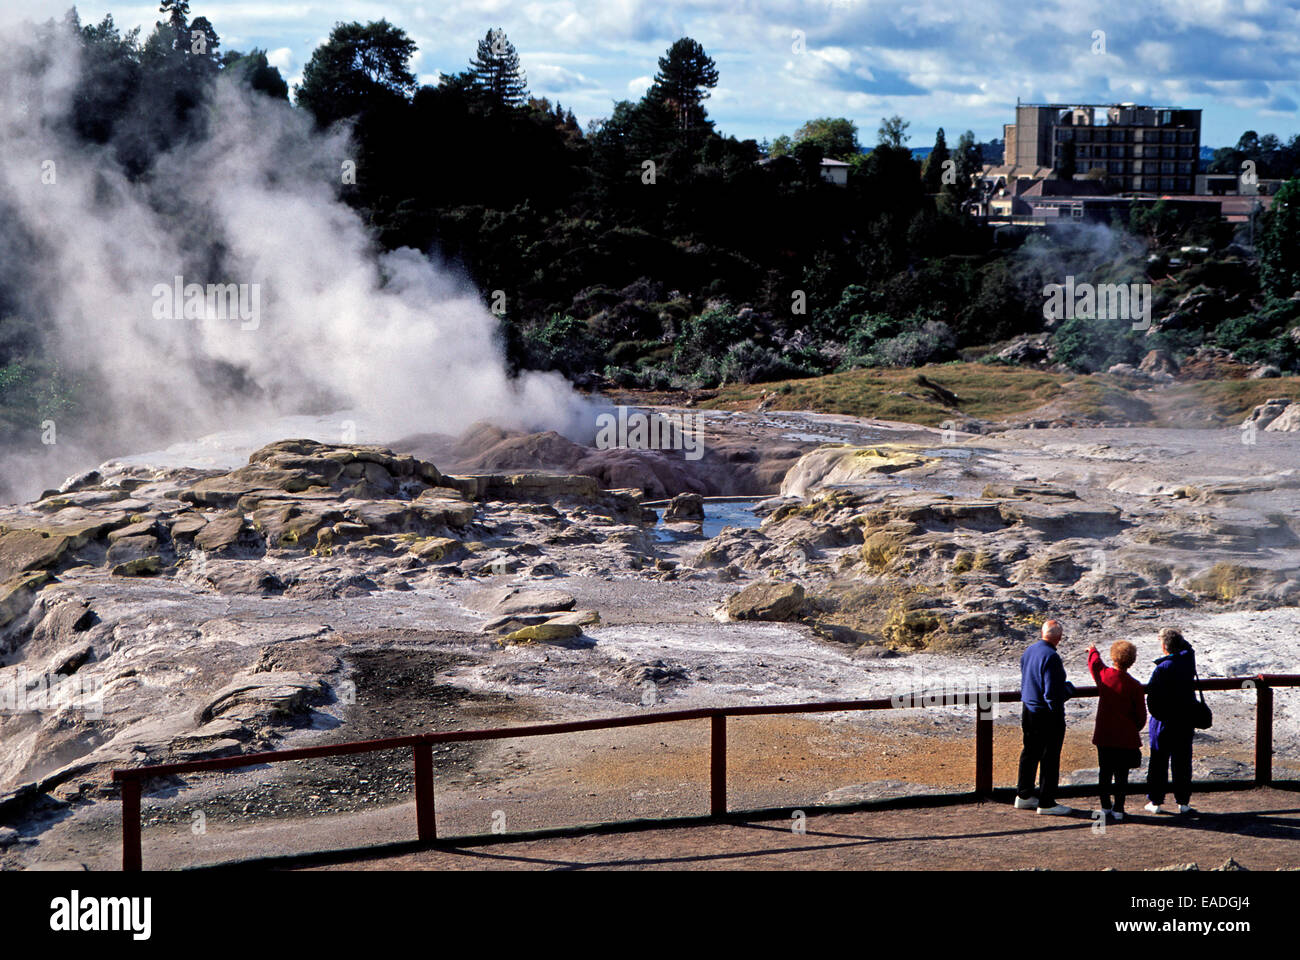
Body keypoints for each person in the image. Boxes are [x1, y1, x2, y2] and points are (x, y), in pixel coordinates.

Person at [1016, 619, 1076, 815]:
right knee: (1050, 757)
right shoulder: (1051, 657)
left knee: (1030, 752)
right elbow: (1052, 693)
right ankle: (1047, 802)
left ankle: (1024, 795)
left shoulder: (1029, 651)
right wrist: (1068, 689)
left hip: (1028, 709)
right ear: (1059, 637)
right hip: (1046, 714)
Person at [1087, 640, 1146, 820]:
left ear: (1113, 657)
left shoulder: (1105, 676)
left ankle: (1105, 806)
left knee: (1104, 771)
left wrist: (1093, 650)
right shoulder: (1135, 685)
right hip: (1125, 736)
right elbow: (1141, 716)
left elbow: (1095, 664)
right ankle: (1119, 808)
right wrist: (1133, 728)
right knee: (1122, 775)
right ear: (1132, 661)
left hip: (1105, 735)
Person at [1144, 627, 1198, 815]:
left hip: (1164, 722)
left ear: (1165, 646)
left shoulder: (1163, 668)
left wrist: (1158, 715)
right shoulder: (1187, 662)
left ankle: (1156, 801)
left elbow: (1152, 698)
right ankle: (1183, 802)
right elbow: (1190, 649)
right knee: (1182, 761)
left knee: (1158, 761)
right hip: (1185, 720)